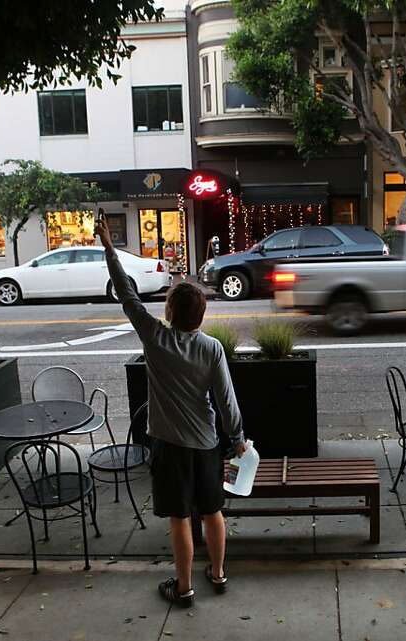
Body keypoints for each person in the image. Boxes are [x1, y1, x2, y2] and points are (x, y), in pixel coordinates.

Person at [95, 219, 245, 609]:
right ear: (201, 314)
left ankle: (184, 588)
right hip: (207, 444)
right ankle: (219, 573)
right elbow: (226, 400)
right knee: (212, 511)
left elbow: (127, 294)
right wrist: (238, 438)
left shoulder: (155, 337)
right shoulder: (211, 348)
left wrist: (110, 248)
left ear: (170, 310)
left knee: (179, 517)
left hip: (169, 446)